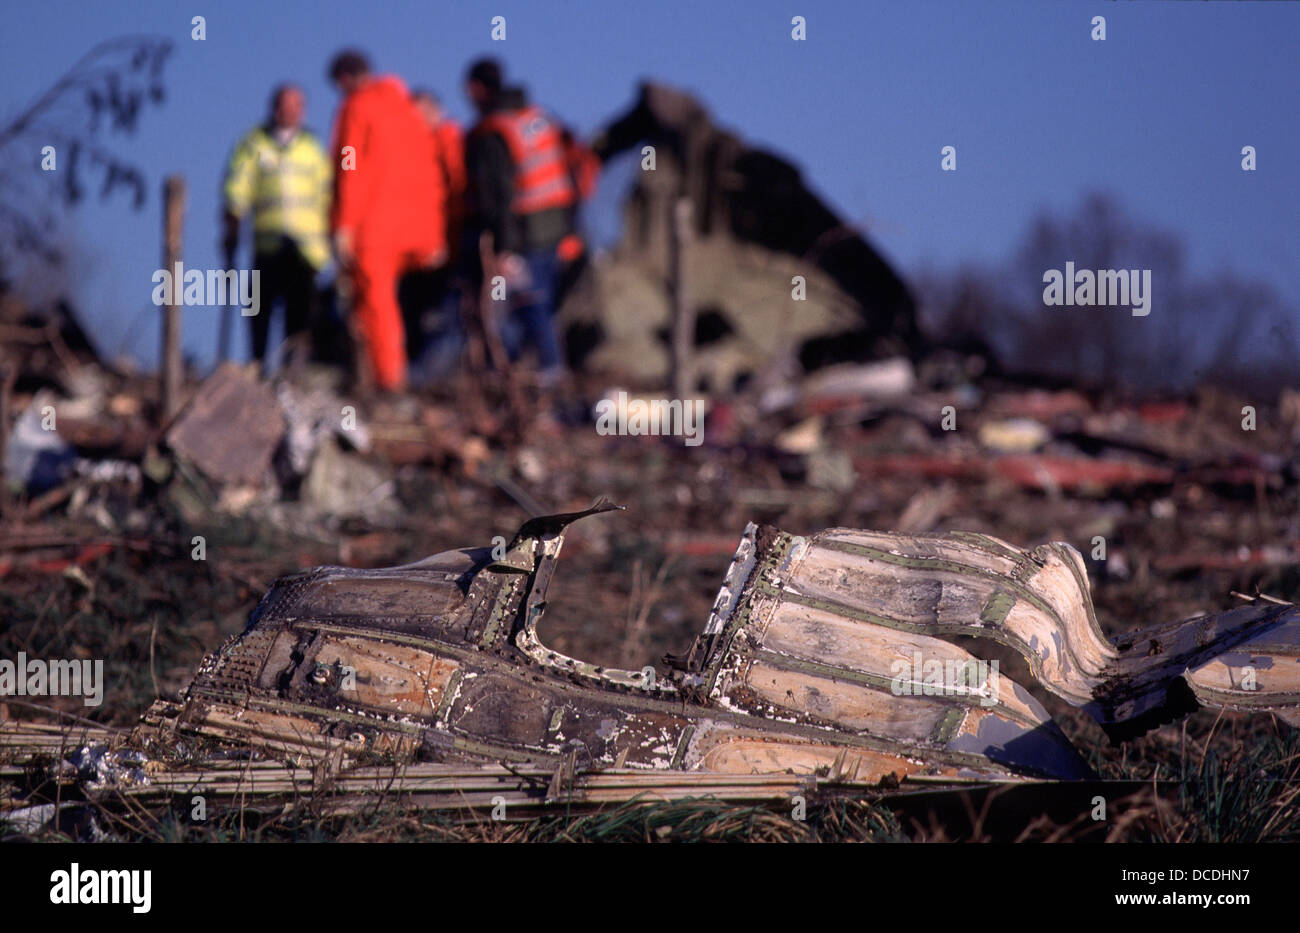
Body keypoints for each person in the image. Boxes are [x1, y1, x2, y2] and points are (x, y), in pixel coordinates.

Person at [328, 50, 446, 392]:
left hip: (373, 228)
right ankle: (395, 375)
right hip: (413, 230)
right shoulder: (407, 110)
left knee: (376, 305)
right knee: (394, 304)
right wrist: (433, 232)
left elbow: (349, 166)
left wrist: (344, 224)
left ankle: (389, 381)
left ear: (343, 80)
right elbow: (429, 169)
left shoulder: (356, 108)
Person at [463, 58, 576, 385]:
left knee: (525, 304)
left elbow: (496, 196)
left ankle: (539, 376)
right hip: (556, 226)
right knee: (541, 304)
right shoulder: (538, 117)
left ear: (475, 88)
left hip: (524, 234)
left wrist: (502, 247)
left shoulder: (493, 132)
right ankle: (544, 373)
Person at [222, 84, 331, 368]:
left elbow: (326, 193)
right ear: (274, 107)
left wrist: (332, 239)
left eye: (296, 106)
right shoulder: (254, 144)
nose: (290, 112)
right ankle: (258, 366)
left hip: (305, 249)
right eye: (285, 105)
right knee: (260, 307)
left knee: (300, 312)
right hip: (268, 245)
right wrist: (232, 221)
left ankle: (292, 370)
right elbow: (238, 187)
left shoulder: (312, 148)